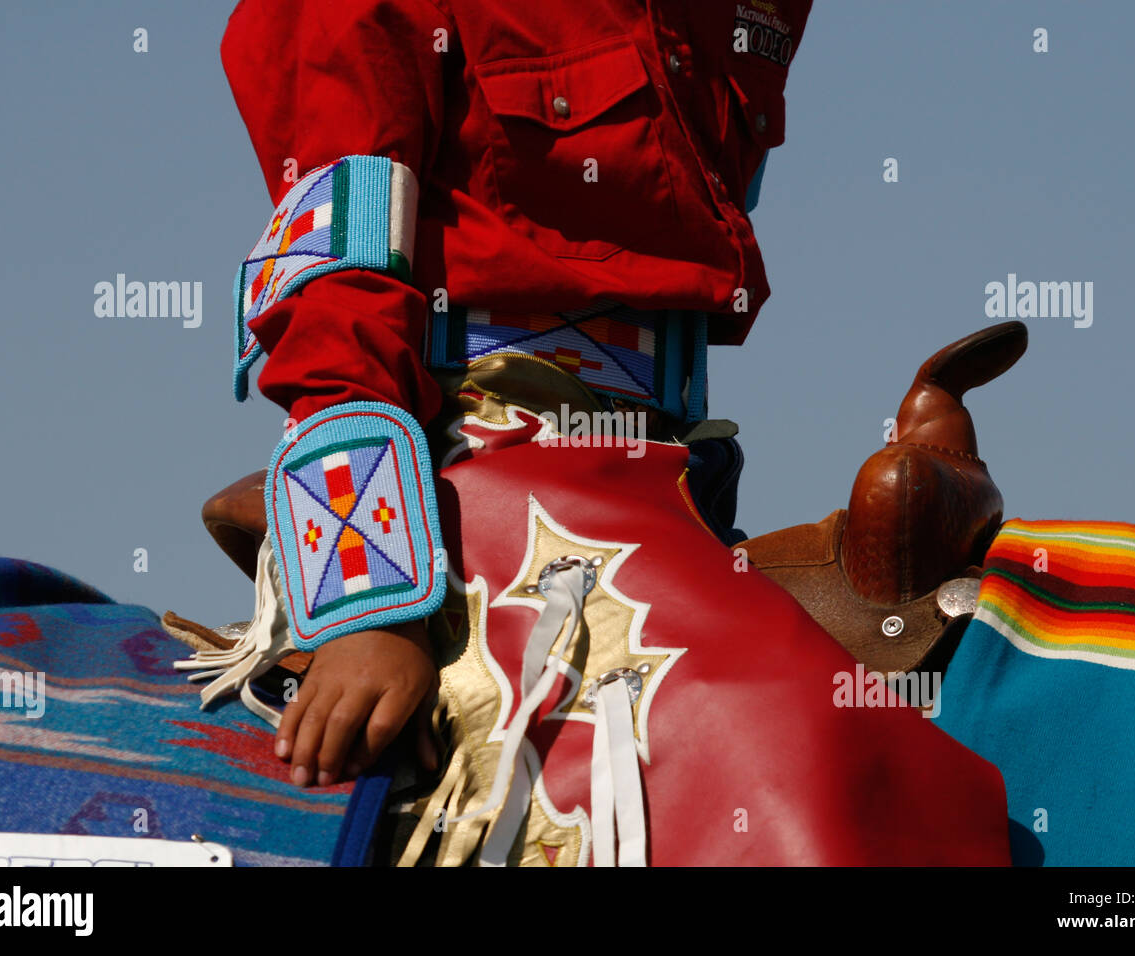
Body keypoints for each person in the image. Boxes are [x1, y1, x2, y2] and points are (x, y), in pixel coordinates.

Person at [213, 0, 1010, 865]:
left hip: (671, 473)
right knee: (801, 747)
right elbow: (335, 276)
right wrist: (370, 602)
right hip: (481, 453)